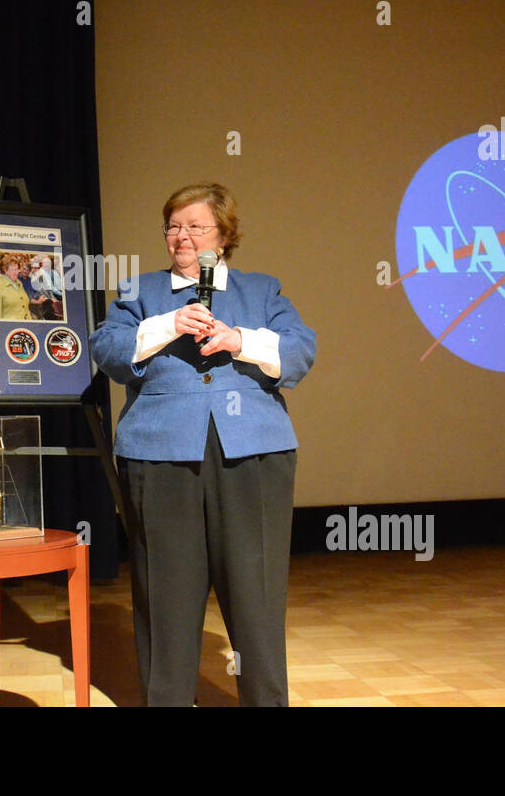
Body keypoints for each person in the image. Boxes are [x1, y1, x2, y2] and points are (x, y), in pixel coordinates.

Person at [89, 182, 316, 706]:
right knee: (166, 592)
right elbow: (108, 347)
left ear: (224, 233)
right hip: (160, 454)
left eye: (195, 226)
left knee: (256, 594)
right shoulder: (138, 289)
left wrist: (241, 340)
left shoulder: (261, 290)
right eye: (173, 226)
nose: (181, 236)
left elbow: (301, 350)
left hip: (254, 452)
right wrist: (167, 324)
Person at [0, 254, 32, 320]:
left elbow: (25, 308)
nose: (17, 272)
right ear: (5, 270)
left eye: (17, 269)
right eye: (14, 270)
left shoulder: (19, 283)